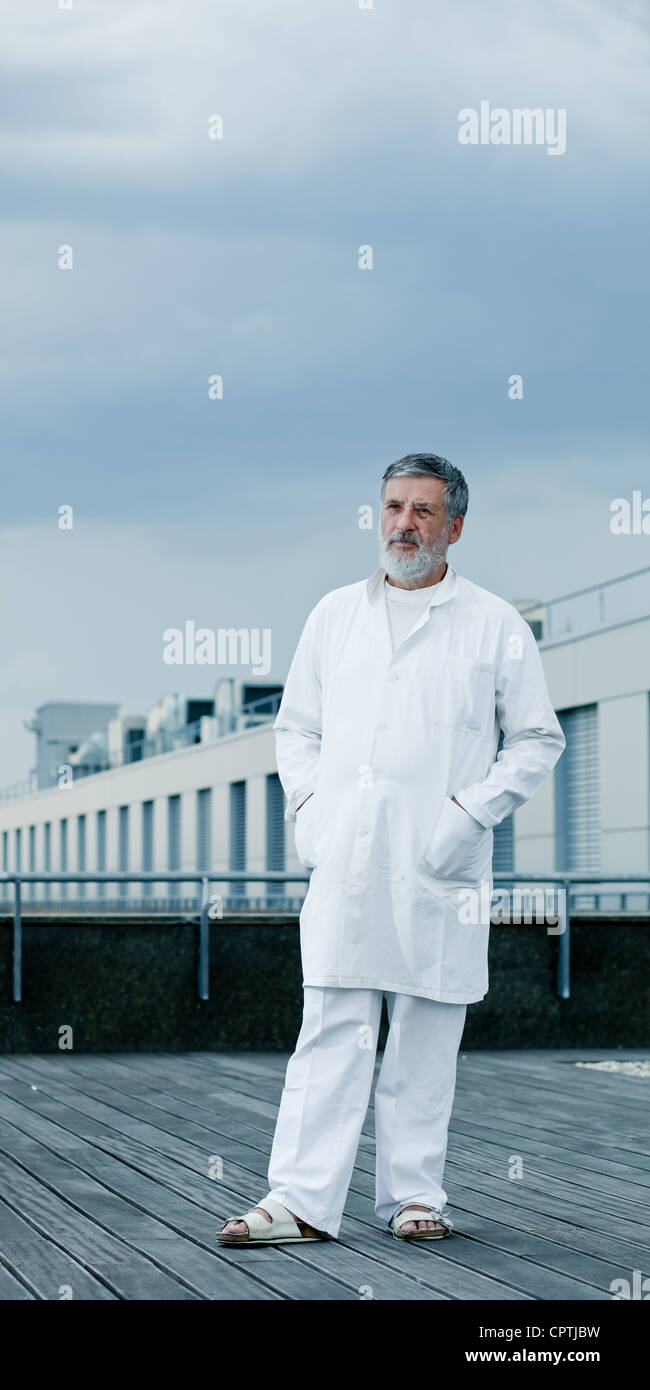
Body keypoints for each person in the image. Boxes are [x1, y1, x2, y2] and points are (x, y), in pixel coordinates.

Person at [217, 453, 565, 1246]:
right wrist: (310, 811)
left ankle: (415, 1196)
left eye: (423, 511)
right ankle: (298, 1202)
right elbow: (295, 729)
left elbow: (538, 739)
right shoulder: (335, 615)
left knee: (425, 1035)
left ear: (456, 527)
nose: (404, 524)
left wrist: (469, 813)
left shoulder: (495, 624)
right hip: (345, 860)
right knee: (331, 1026)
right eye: (394, 507)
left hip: (441, 867)